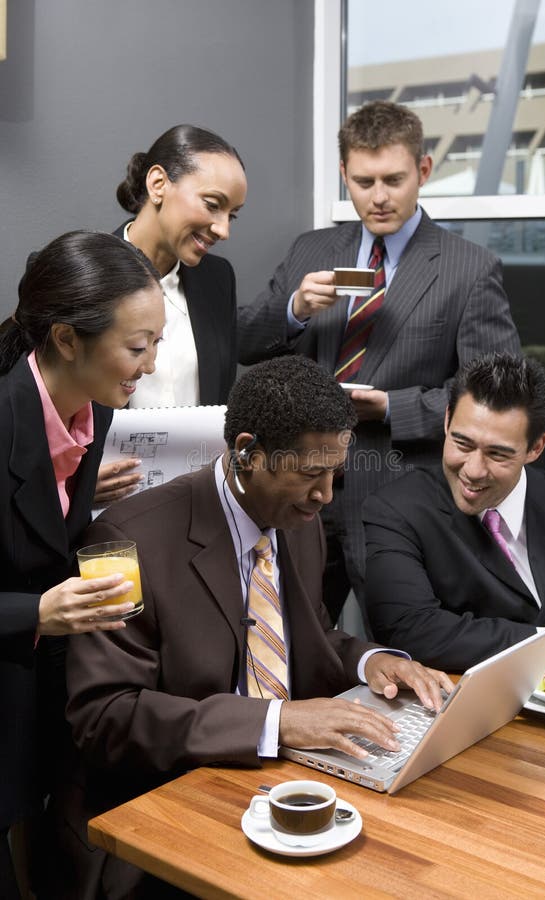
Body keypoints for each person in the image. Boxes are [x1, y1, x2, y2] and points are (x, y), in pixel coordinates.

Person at [60, 356, 452, 898]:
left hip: (293, 790)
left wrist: (369, 659)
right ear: (247, 451)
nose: (325, 498)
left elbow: (302, 635)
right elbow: (104, 716)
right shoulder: (124, 540)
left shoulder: (296, 519)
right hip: (170, 811)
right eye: (311, 474)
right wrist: (276, 723)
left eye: (334, 475)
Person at [238, 100, 520, 626]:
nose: (380, 197)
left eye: (394, 179)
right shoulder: (311, 250)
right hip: (301, 489)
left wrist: (393, 407)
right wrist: (294, 310)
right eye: (364, 182)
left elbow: (492, 397)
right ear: (344, 174)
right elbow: (242, 343)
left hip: (399, 487)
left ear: (424, 171)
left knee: (409, 641)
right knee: (289, 634)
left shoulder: (470, 268)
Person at [0, 231, 165, 896]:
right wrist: (38, 611)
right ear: (68, 340)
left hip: (45, 697)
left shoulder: (93, 411)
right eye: (136, 346)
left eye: (156, 343)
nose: (150, 365)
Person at [364, 352, 545, 672]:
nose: (473, 470)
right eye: (462, 444)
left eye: (497, 454)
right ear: (447, 420)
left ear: (536, 448)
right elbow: (407, 629)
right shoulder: (396, 510)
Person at [96, 123, 247, 506]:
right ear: (158, 184)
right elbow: (33, 406)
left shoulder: (218, 280)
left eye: (233, 214)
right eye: (213, 205)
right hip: (106, 513)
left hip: (199, 508)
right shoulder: (83, 272)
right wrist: (72, 481)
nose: (223, 229)